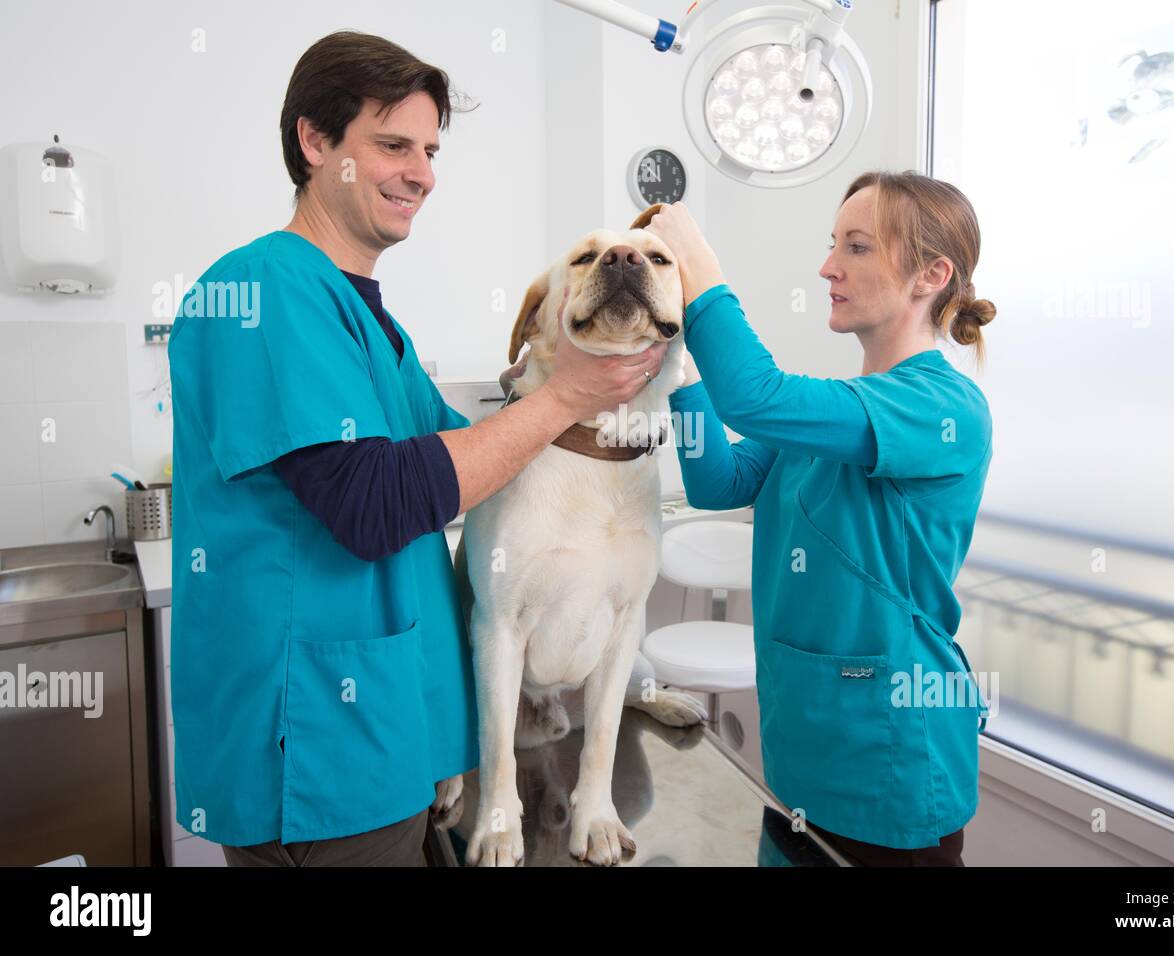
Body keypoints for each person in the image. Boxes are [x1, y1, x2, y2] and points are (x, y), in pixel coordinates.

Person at [167, 30, 668, 867]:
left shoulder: (371, 323)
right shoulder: (260, 292)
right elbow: (374, 506)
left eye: (430, 150)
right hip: (316, 751)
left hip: (391, 741)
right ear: (315, 142)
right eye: (393, 144)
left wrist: (583, 377)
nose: (422, 173)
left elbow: (465, 463)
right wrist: (564, 393)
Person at [643, 173, 996, 866]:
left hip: (890, 758)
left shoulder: (943, 408)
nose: (828, 267)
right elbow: (719, 482)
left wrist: (699, 266)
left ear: (932, 274)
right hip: (802, 748)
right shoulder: (836, 409)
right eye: (832, 245)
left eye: (856, 248)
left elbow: (752, 397)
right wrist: (680, 376)